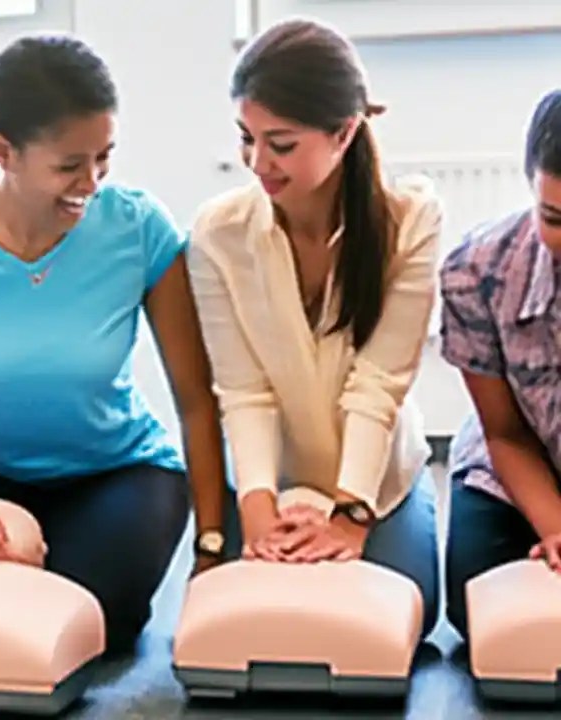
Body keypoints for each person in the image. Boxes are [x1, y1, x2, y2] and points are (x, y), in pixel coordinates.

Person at [0, 33, 230, 655]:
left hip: (120, 473)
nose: (91, 182)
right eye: (69, 165)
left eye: (104, 158)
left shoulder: (140, 228)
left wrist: (213, 545)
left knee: (80, 625)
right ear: (1, 151)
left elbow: (196, 399)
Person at [186, 17, 443, 639]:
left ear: (344, 132)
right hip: (272, 479)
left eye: (280, 143)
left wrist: (351, 515)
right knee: (245, 630)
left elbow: (378, 384)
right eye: (246, 138)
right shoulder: (218, 233)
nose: (257, 162)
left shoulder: (411, 221)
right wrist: (258, 512)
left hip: (378, 483)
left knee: (401, 617)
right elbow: (244, 391)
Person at [440, 89, 561, 643]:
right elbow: (505, 434)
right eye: (554, 217)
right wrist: (556, 529)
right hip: (517, 461)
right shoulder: (476, 271)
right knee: (482, 608)